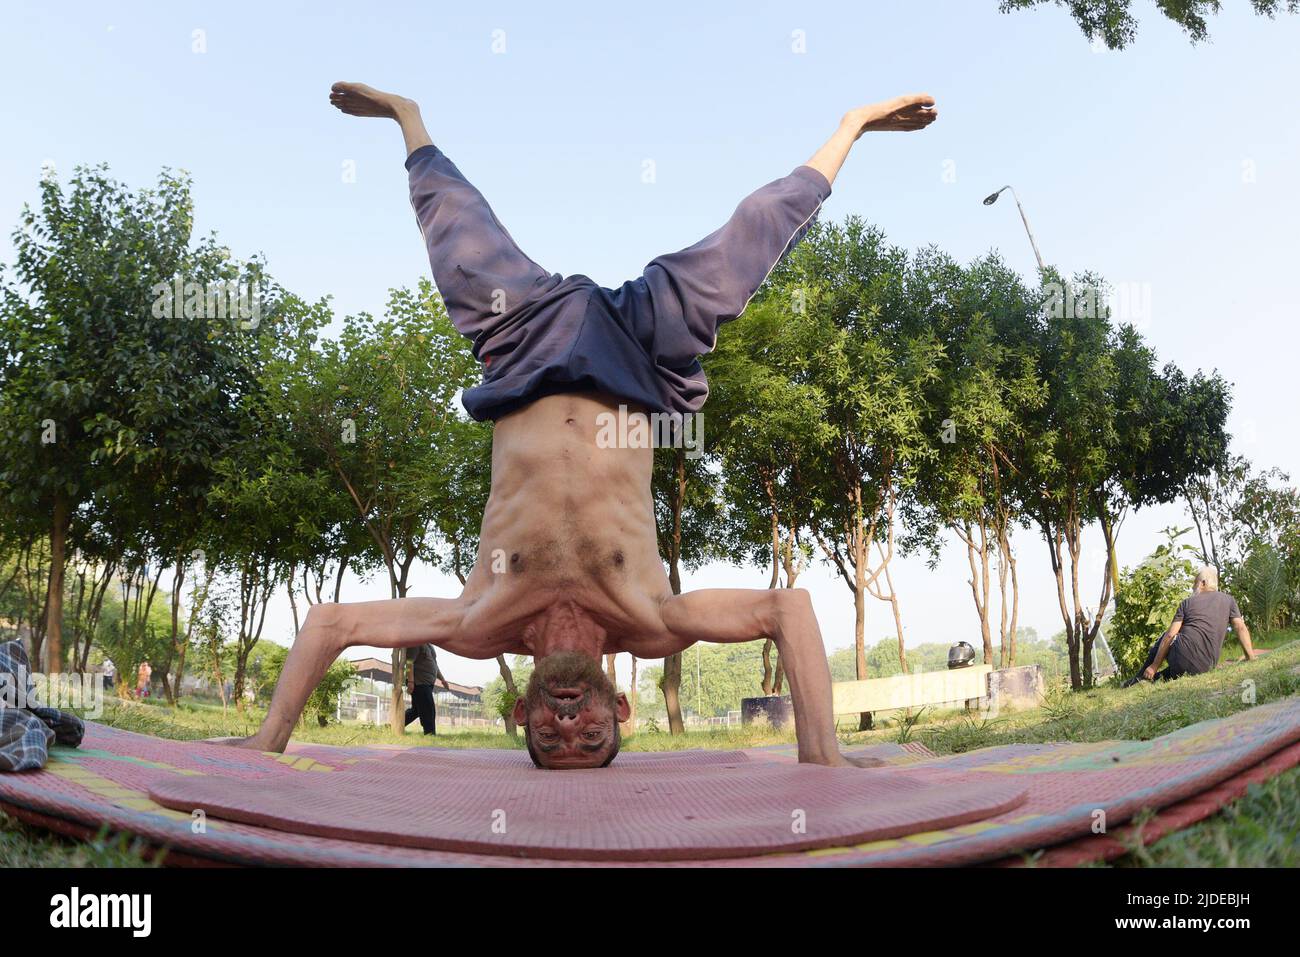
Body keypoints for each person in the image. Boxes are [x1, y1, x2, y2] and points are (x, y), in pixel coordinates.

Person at [238, 82, 938, 769]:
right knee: (743, 251)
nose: (566, 723)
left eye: (550, 739)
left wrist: (267, 740)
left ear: (520, 715)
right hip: (638, 352)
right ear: (620, 712)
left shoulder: (476, 621)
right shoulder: (656, 620)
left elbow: (333, 624)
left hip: (524, 343)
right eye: (590, 738)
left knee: (454, 227)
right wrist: (822, 754)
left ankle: (408, 114)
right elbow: (788, 608)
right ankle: (852, 124)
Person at [1128, 565, 1258, 684]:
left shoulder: (1187, 603)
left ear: (1203, 583)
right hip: (1207, 666)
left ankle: (1139, 678)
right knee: (1183, 667)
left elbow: (1170, 635)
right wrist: (1250, 657)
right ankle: (1150, 680)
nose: (1192, 588)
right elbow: (1240, 627)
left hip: (1182, 660)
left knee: (1165, 637)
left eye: (1194, 583)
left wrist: (1154, 665)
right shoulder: (1229, 600)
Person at [403, 643, 445, 735]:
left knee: (416, 711)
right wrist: (410, 681)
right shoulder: (415, 643)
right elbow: (409, 662)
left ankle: (394, 725)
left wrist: (442, 680)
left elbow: (435, 666)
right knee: (428, 709)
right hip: (419, 682)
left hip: (427, 684)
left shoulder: (430, 646)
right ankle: (430, 733)